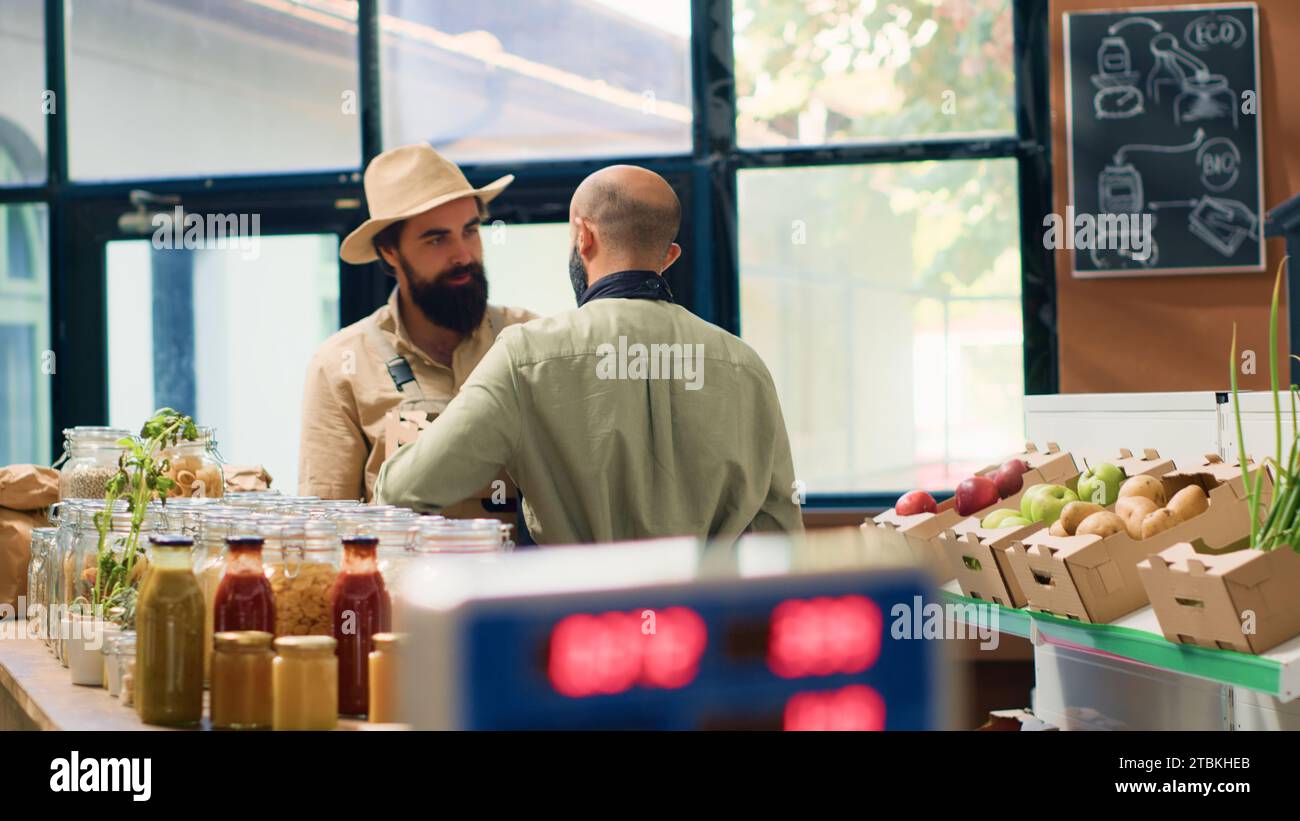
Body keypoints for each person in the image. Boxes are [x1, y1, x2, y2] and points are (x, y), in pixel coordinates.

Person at [374, 164, 803, 543]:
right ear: (669, 256)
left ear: (583, 236)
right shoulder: (744, 366)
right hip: (704, 624)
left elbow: (406, 488)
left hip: (579, 624)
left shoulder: (526, 355)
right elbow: (779, 531)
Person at [298, 143, 536, 502]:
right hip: (400, 560)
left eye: (470, 231)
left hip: (523, 560)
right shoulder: (341, 367)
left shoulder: (529, 342)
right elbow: (327, 521)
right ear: (389, 251)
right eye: (437, 239)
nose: (462, 255)